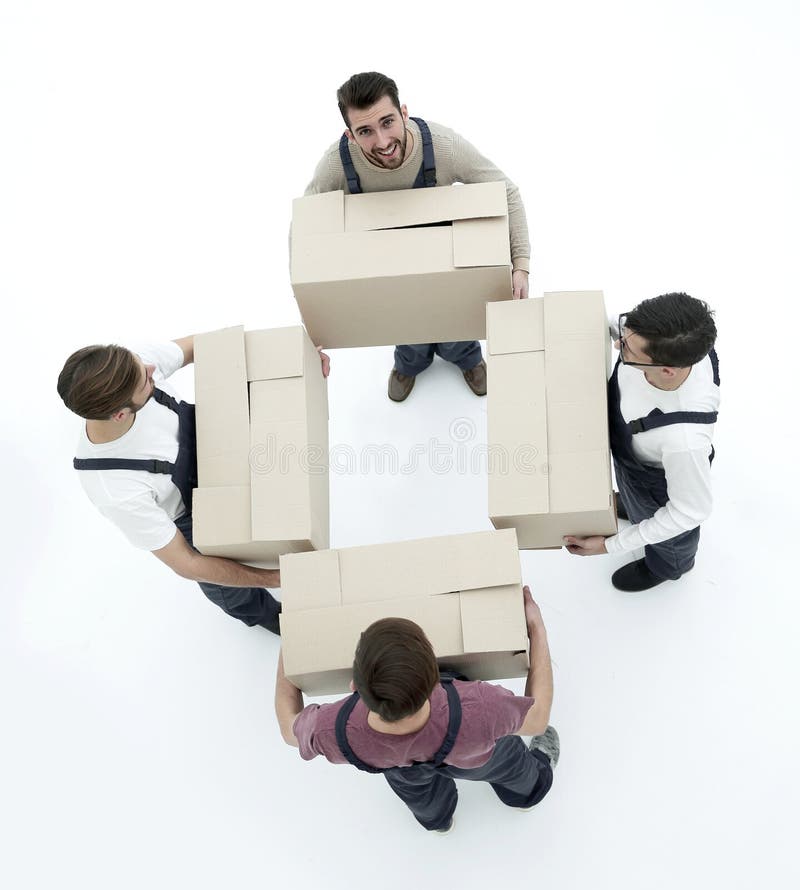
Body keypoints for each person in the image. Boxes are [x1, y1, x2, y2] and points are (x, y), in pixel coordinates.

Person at [57, 336, 331, 633]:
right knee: (235, 595)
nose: (152, 369)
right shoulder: (114, 488)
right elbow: (186, 562)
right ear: (120, 414)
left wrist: (297, 358)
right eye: (146, 381)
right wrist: (275, 578)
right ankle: (281, 623)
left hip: (225, 449)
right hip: (196, 524)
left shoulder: (131, 369)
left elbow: (205, 345)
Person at [305, 71, 531, 402]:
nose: (382, 142)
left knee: (457, 323)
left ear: (404, 113)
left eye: (387, 122)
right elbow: (305, 227)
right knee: (407, 328)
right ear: (350, 135)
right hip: (389, 266)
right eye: (365, 131)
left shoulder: (443, 146)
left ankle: (466, 358)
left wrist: (521, 263)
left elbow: (506, 191)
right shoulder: (337, 163)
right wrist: (314, 315)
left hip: (446, 260)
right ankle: (410, 364)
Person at [275, 586, 558, 832]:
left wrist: (291, 643)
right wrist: (537, 629)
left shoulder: (332, 729)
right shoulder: (481, 707)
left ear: (353, 686)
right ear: (436, 677)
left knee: (422, 798)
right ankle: (527, 796)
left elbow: (290, 730)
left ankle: (439, 822)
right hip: (472, 749)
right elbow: (537, 719)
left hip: (397, 767)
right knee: (512, 766)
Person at [564, 292, 719, 592]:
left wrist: (611, 546)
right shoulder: (663, 338)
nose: (617, 343)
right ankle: (633, 506)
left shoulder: (684, 443)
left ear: (666, 370)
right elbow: (624, 331)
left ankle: (668, 567)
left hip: (655, 484)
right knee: (634, 500)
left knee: (671, 543)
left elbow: (689, 511)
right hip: (631, 460)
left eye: (626, 348)